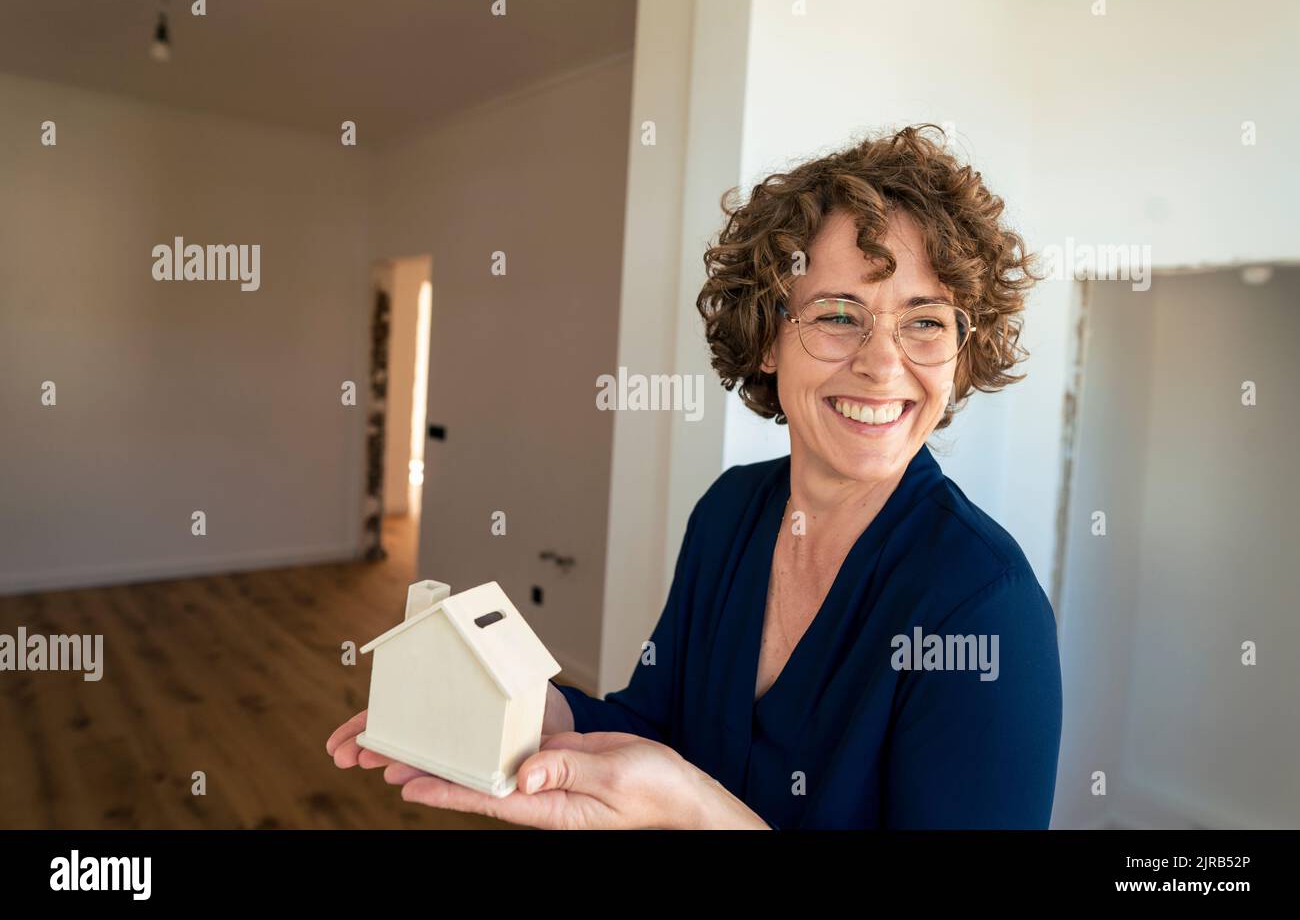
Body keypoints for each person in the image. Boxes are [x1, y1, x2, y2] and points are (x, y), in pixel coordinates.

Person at [327, 124, 1063, 829]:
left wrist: (697, 810)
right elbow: (655, 724)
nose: (882, 363)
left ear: (964, 347)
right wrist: (540, 716)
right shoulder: (730, 513)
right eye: (840, 315)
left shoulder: (983, 607)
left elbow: (685, 788)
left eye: (925, 321)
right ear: (769, 338)